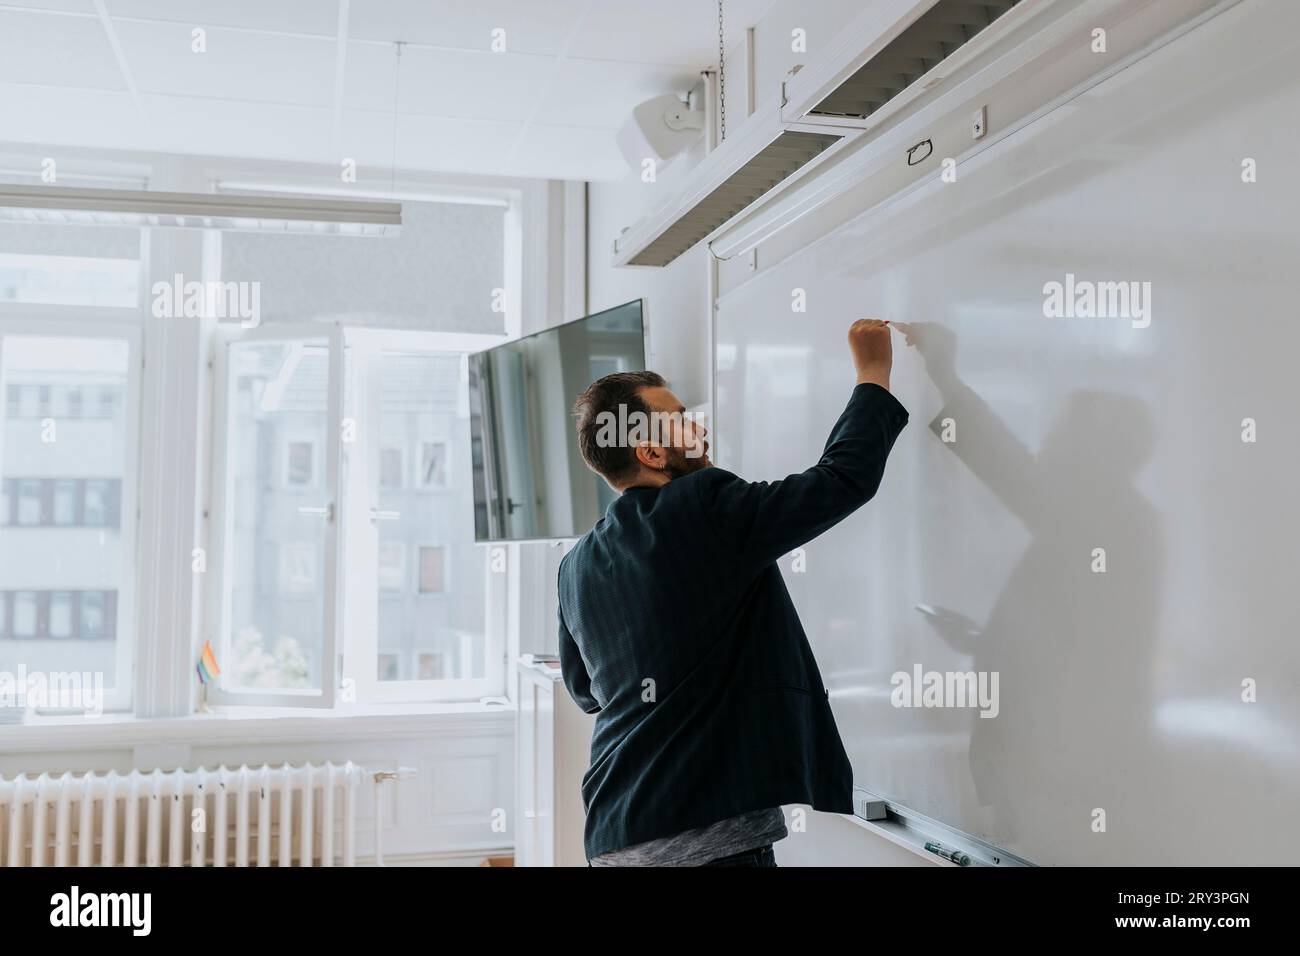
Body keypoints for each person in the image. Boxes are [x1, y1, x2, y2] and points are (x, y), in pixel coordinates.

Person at [558, 318, 908, 866]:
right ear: (650, 453)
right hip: (704, 840)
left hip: (615, 833)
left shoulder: (576, 564)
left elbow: (588, 692)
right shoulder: (702, 507)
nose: (697, 430)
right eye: (679, 422)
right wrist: (872, 373)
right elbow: (842, 479)